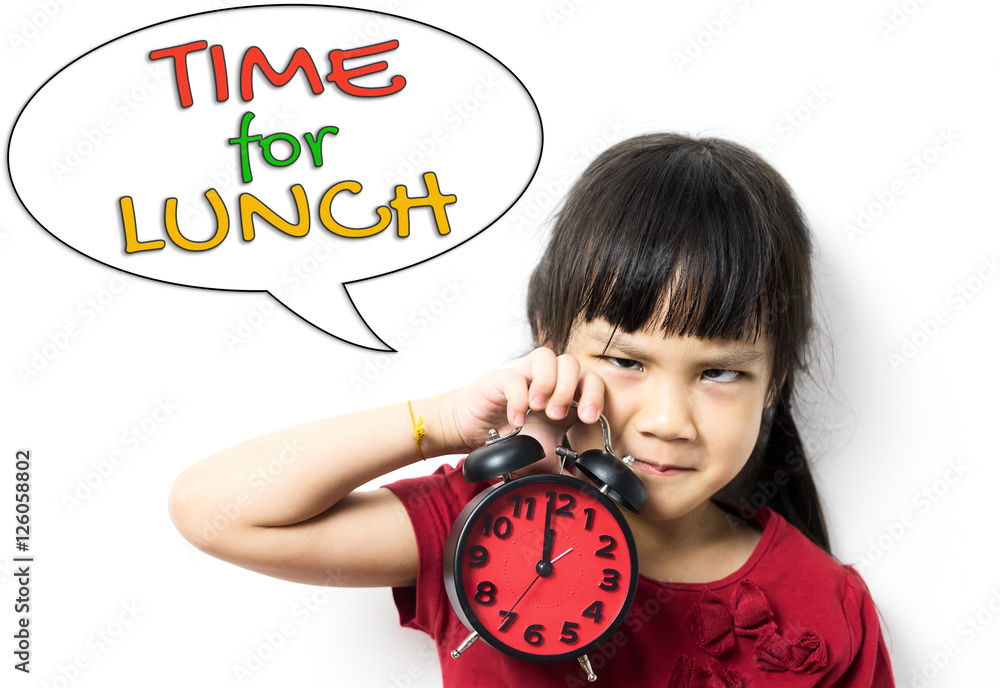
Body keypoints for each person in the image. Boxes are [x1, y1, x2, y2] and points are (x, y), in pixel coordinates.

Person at [168, 133, 895, 686]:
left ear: (776, 381)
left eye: (720, 372)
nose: (669, 419)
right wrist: (444, 420)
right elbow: (215, 511)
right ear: (553, 345)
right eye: (626, 360)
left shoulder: (826, 604)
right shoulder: (487, 523)